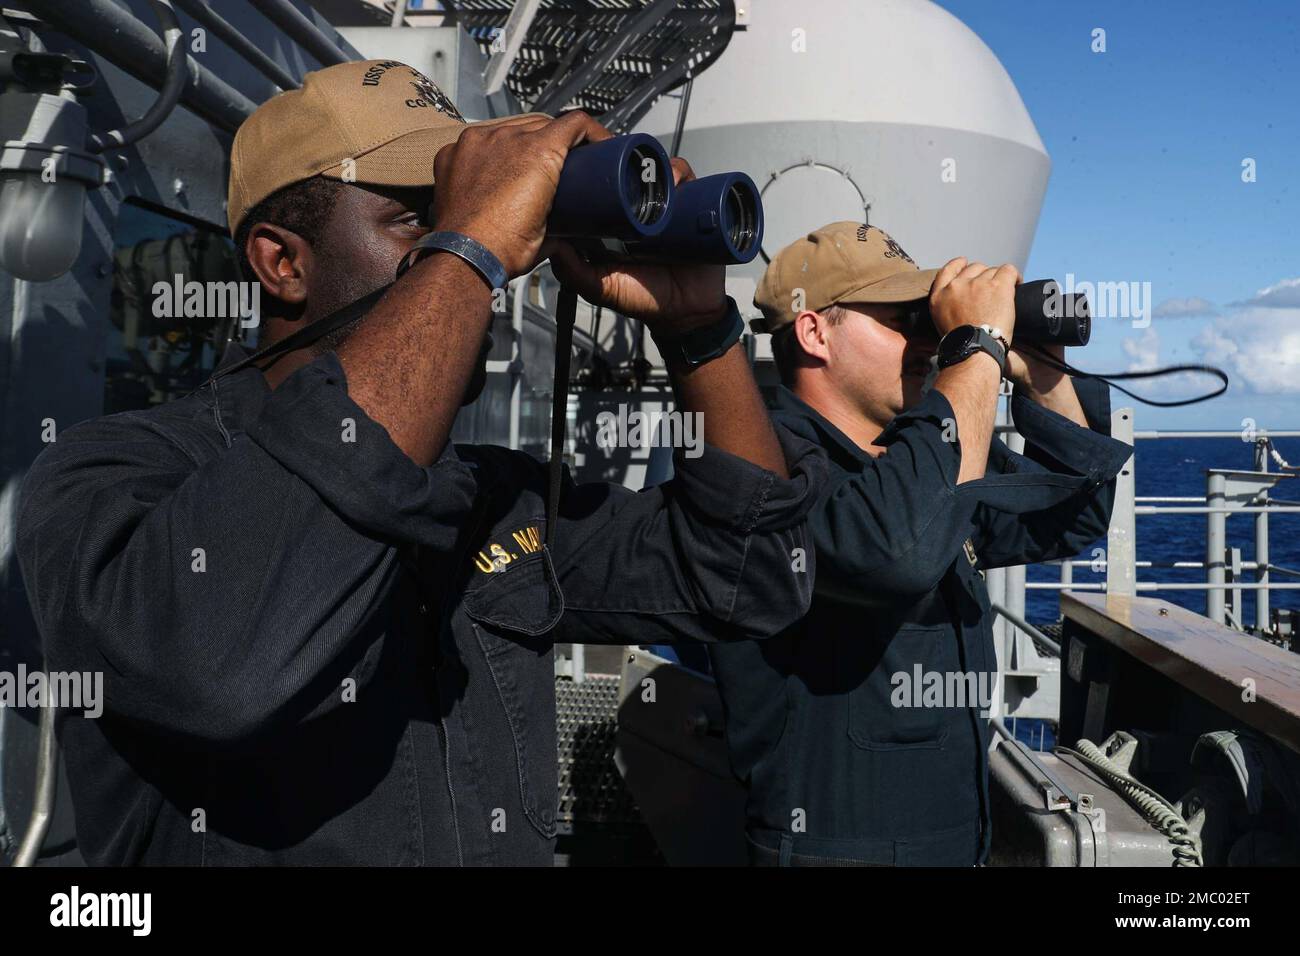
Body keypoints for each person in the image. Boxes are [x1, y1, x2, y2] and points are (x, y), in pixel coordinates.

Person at [15, 60, 823, 866]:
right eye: (417, 222)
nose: (494, 263)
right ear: (282, 263)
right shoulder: (114, 477)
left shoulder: (495, 499)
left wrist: (698, 329)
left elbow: (750, 576)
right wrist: (468, 248)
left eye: (470, 215)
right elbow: (221, 670)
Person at [710, 221, 1132, 866]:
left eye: (927, 318)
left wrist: (1043, 378)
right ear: (814, 330)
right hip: (835, 848)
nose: (927, 342)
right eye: (903, 317)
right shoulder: (768, 468)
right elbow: (889, 554)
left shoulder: (912, 456)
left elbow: (1068, 520)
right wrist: (978, 348)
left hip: (953, 835)